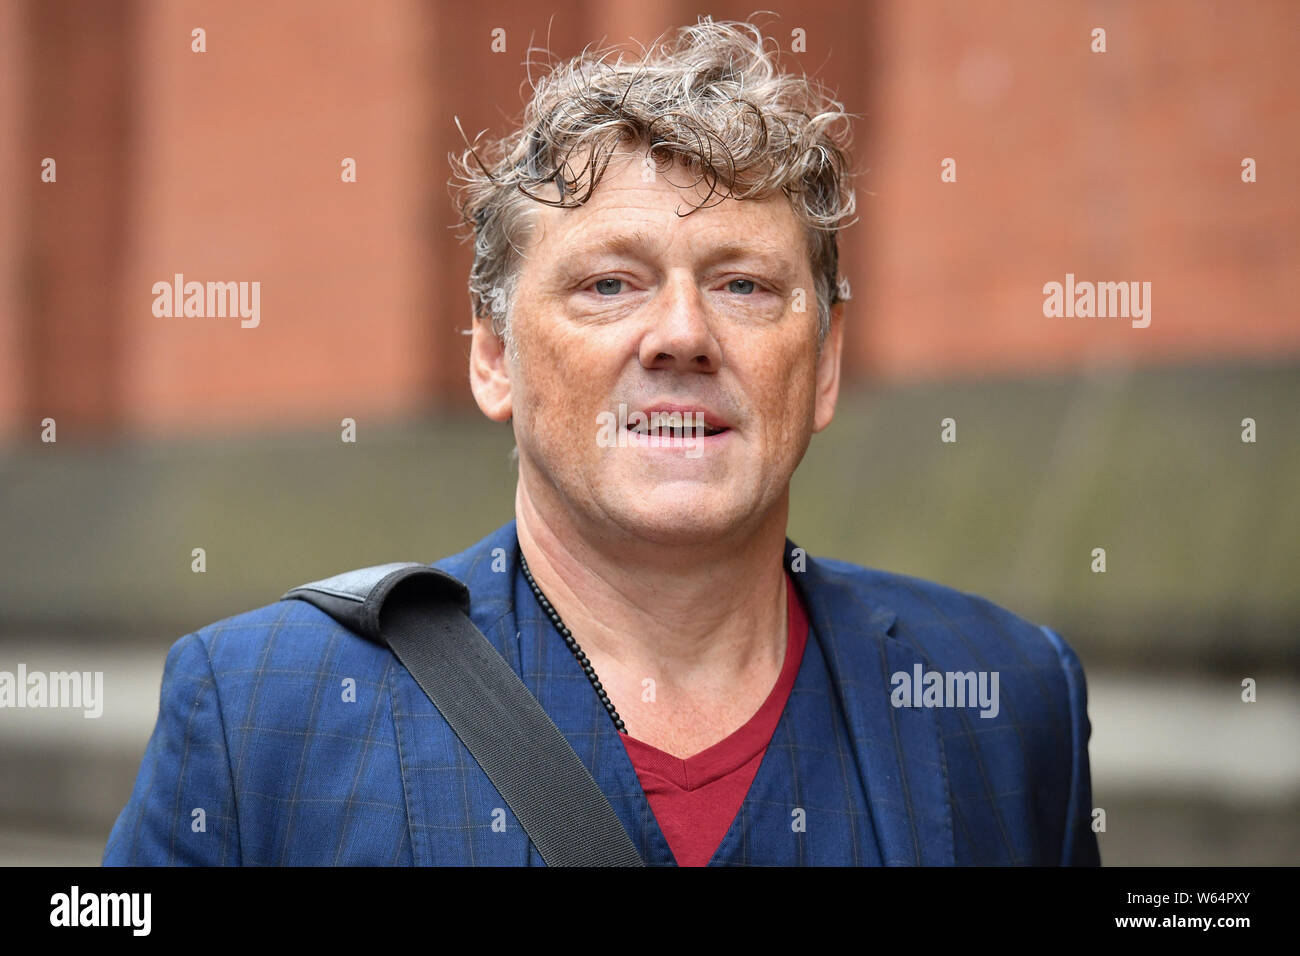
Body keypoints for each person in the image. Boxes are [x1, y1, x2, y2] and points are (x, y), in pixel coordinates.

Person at [103, 17, 1100, 867]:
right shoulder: (260, 712)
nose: (679, 333)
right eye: (607, 284)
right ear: (494, 357)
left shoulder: (1005, 703)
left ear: (826, 362)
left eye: (743, 284)